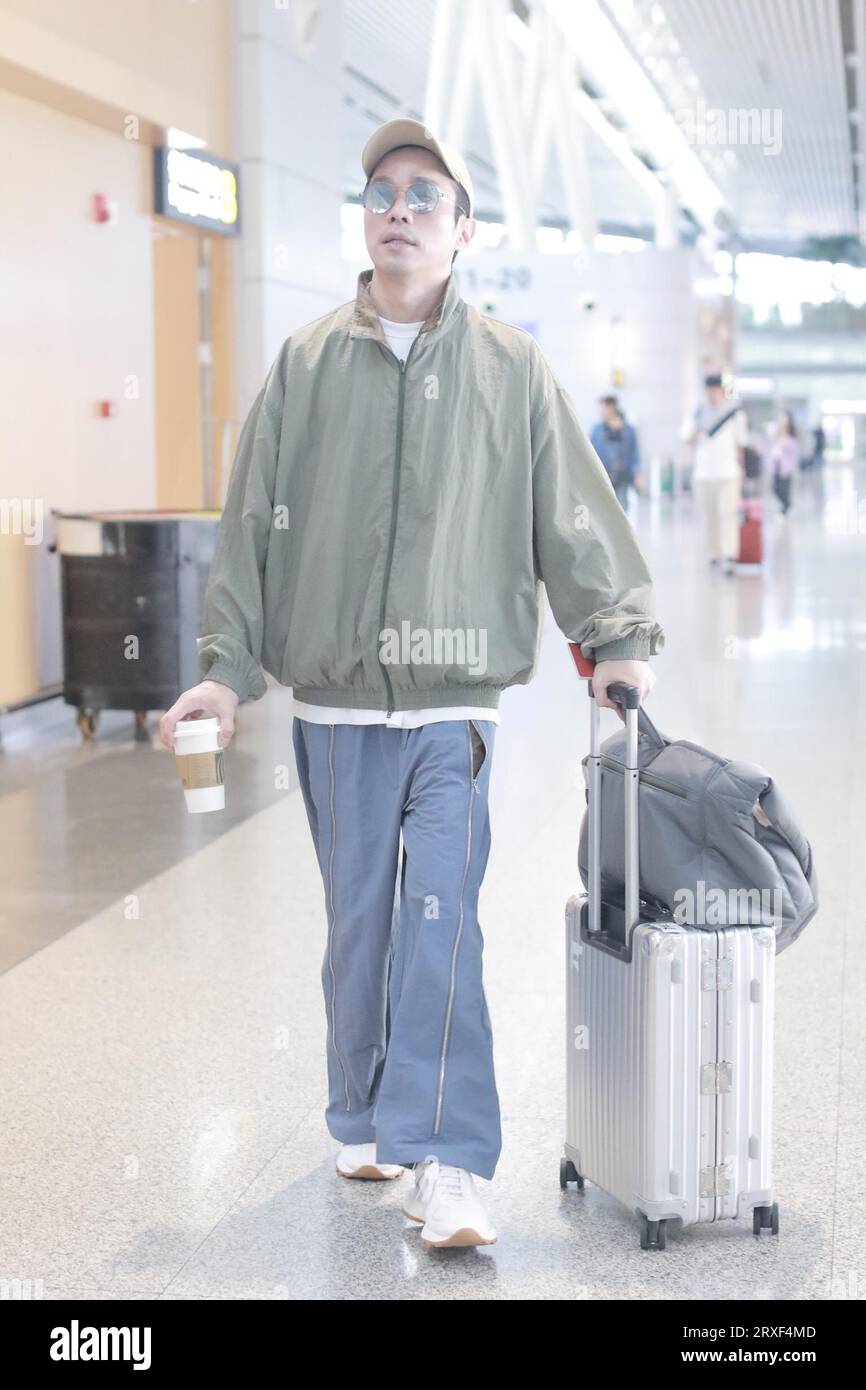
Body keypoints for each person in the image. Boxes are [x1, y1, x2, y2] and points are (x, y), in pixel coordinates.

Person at [159, 118, 664, 1248]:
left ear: (462, 229)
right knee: (360, 925)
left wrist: (615, 634)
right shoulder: (303, 365)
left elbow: (569, 512)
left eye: (422, 195)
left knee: (441, 920)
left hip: (453, 704)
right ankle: (361, 1108)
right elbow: (248, 536)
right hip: (335, 704)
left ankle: (447, 1159)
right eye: (381, 192)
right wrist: (224, 675)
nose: (398, 209)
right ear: (365, 218)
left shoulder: (509, 369)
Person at [682, 373, 748, 575]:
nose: (712, 395)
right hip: (703, 475)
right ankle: (714, 555)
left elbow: (740, 445)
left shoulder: (734, 415)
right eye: (709, 391)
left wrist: (742, 470)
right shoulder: (698, 412)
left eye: (715, 391)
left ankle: (729, 556)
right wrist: (697, 426)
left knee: (727, 515)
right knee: (709, 516)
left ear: (722, 391)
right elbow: (686, 439)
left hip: (728, 474)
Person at [590, 395, 639, 510]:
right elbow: (590, 452)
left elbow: (634, 453)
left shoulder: (628, 430)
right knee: (603, 509)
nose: (600, 412)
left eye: (603, 409)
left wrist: (637, 472)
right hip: (603, 476)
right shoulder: (597, 430)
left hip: (623, 477)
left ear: (612, 408)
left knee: (621, 509)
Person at [771, 411, 799, 515]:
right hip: (777, 465)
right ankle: (786, 504)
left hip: (786, 468)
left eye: (784, 418)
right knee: (775, 489)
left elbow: (794, 451)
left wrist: (785, 444)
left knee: (784, 490)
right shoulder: (777, 433)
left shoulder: (791, 435)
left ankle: (785, 509)